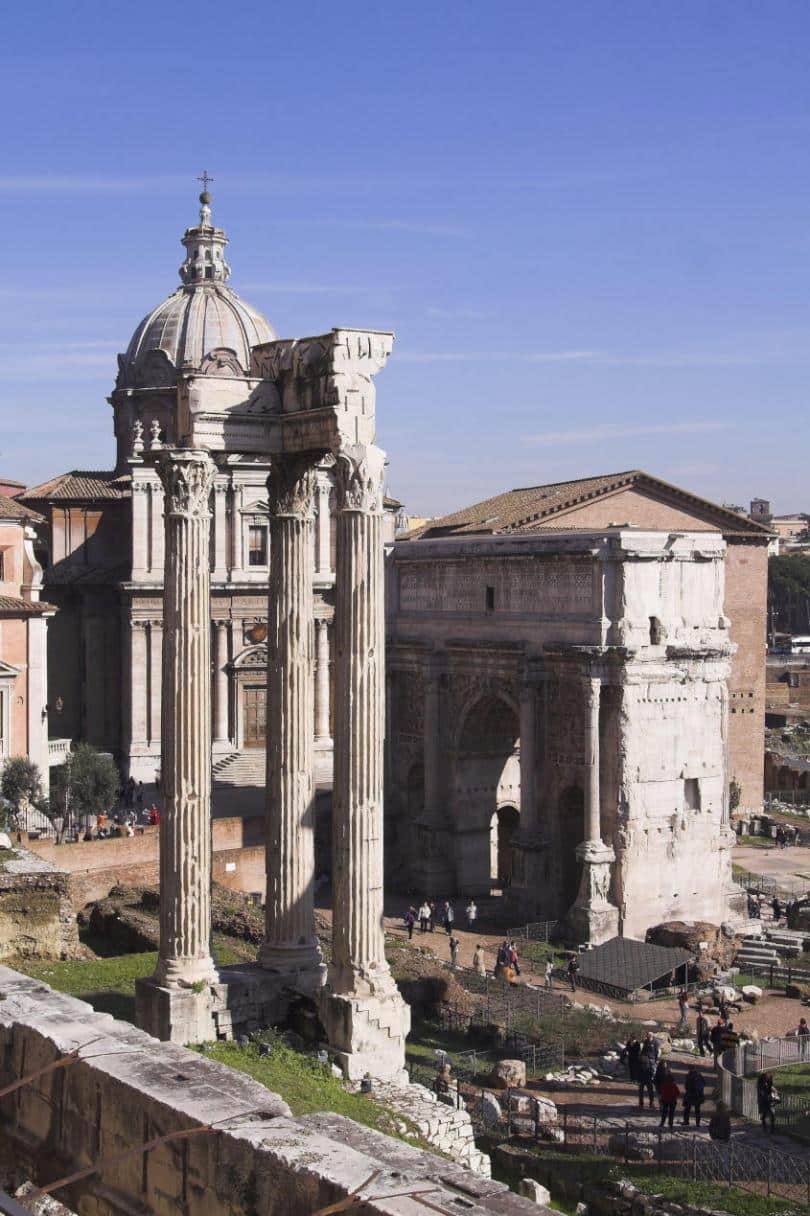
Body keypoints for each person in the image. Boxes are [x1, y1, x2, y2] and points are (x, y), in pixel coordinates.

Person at [637, 1041, 656, 1110]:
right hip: (647, 1076)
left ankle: (641, 1104)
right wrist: (652, 1076)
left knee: (641, 1091)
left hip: (642, 1076)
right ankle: (651, 1103)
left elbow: (638, 1068)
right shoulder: (649, 1056)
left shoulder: (640, 1056)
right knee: (650, 1091)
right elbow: (652, 1068)